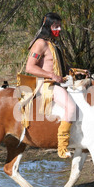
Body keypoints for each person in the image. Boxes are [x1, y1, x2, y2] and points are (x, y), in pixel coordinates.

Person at [25, 13, 75, 158]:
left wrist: (78, 71)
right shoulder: (40, 43)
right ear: (48, 26)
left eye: (60, 26)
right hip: (46, 85)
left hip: (59, 83)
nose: (59, 29)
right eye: (55, 26)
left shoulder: (54, 44)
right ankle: (62, 147)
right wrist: (52, 75)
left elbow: (62, 67)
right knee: (71, 107)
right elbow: (30, 67)